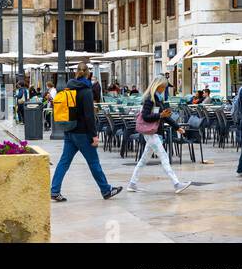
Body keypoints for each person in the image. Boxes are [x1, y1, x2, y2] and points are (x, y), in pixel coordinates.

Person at [49, 64, 122, 202]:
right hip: (82, 133)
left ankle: (54, 190)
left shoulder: (69, 87)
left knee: (64, 162)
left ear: (76, 73)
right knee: (94, 162)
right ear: (88, 74)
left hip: (70, 130)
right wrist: (94, 135)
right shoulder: (86, 91)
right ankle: (106, 190)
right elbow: (89, 116)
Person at [128, 76, 191, 194]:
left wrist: (177, 127)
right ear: (158, 86)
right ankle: (176, 184)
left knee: (143, 160)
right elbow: (146, 116)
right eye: (163, 87)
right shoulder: (149, 99)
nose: (164, 90)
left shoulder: (158, 99)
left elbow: (165, 117)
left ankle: (132, 184)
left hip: (154, 133)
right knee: (164, 157)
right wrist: (160, 115)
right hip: (152, 133)